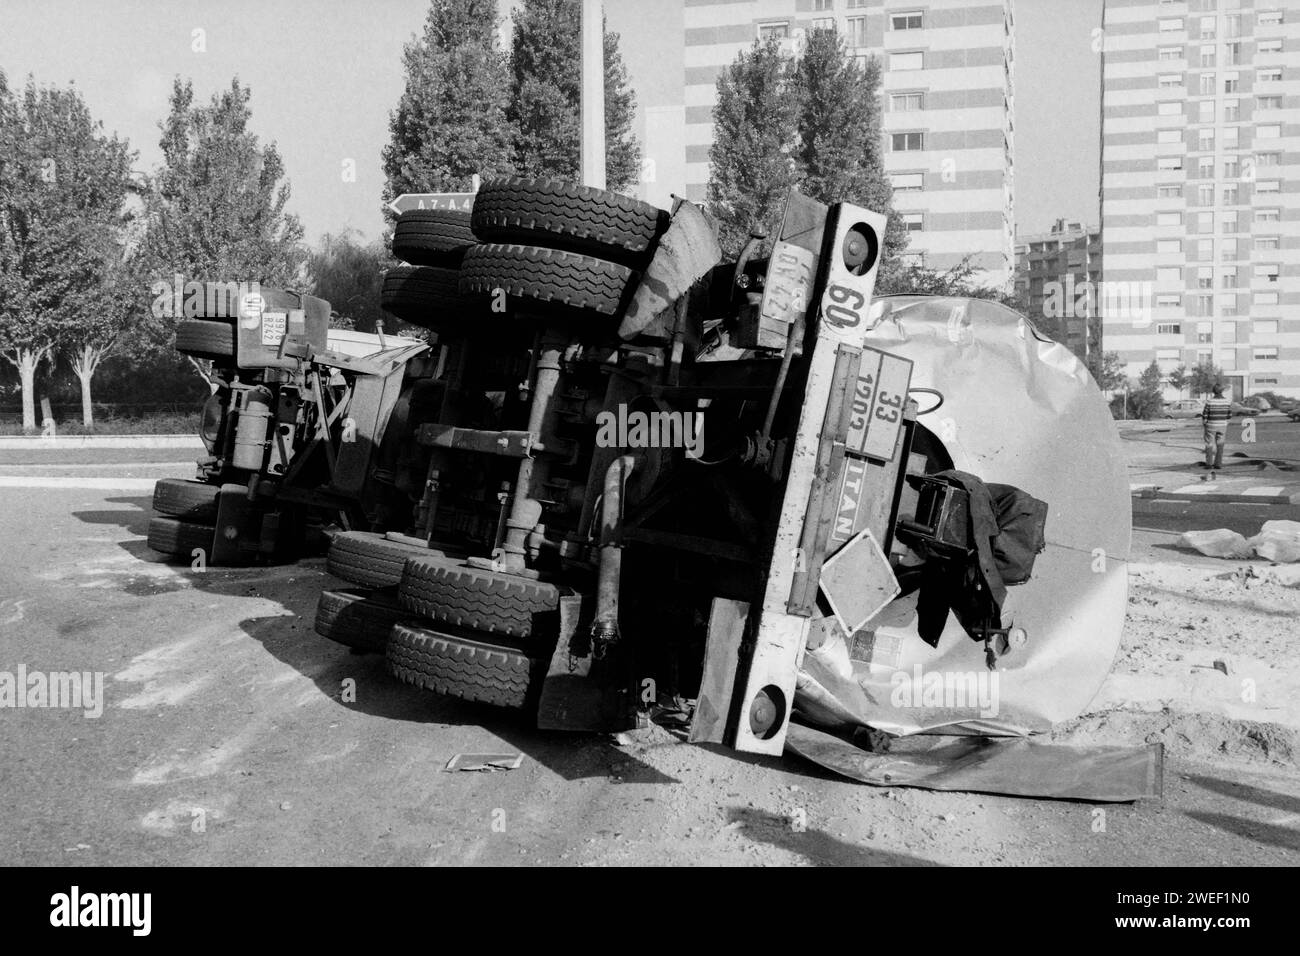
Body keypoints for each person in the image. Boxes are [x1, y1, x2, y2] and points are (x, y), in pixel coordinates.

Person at [1201, 385, 1232, 470]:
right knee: (1220, 445)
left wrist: (1205, 423)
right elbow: (1229, 415)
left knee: (1209, 444)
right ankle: (1218, 464)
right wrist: (1225, 422)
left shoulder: (1209, 401)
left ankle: (1209, 464)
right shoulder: (1227, 401)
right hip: (1222, 426)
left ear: (1213, 392)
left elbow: (1205, 414)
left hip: (1211, 426)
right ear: (1222, 391)